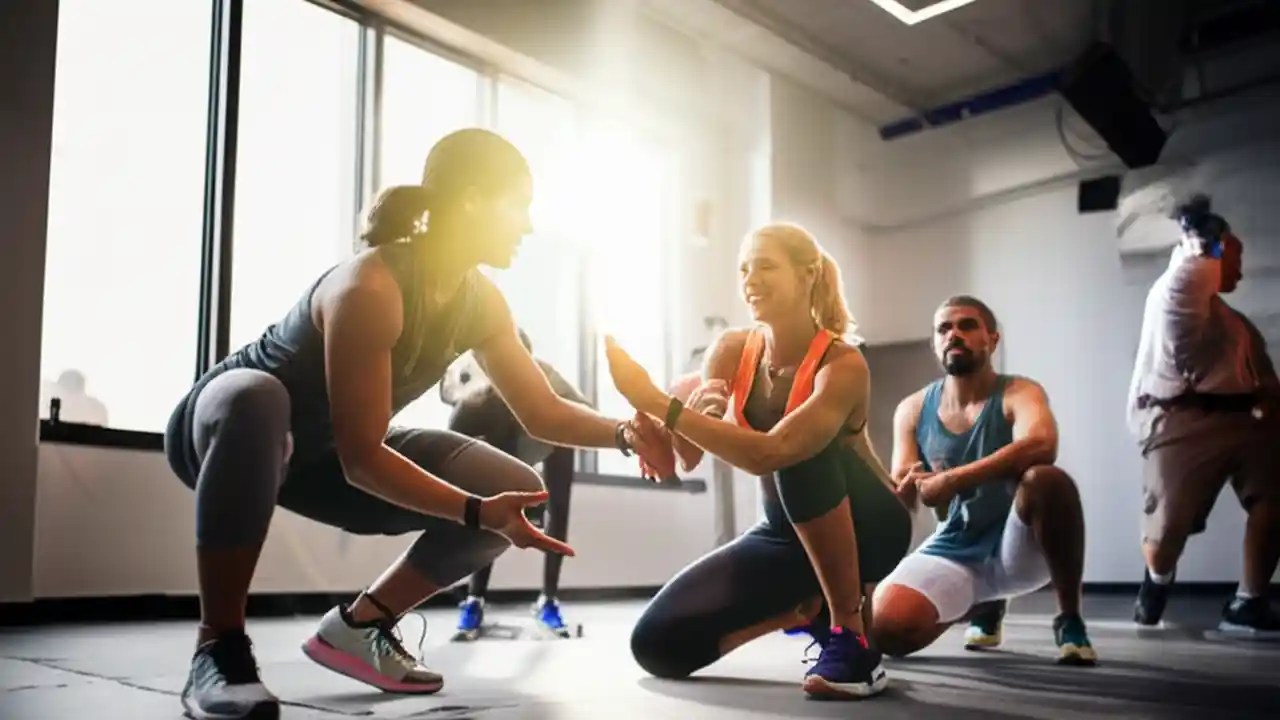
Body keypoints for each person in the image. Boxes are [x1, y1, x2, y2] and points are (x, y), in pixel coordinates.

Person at [163, 128, 667, 720]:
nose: (528, 225)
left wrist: (627, 433)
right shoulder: (372, 285)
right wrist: (478, 511)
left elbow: (543, 411)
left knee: (516, 487)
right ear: (474, 200)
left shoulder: (482, 300)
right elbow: (364, 456)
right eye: (520, 206)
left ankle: (361, 626)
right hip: (227, 430)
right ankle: (217, 647)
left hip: (322, 460)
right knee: (259, 397)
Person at [604, 222, 912, 700]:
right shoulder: (730, 350)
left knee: (797, 452)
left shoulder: (842, 363)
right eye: (744, 268)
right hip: (783, 531)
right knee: (657, 647)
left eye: (765, 265)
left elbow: (772, 453)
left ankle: (851, 637)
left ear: (808, 274)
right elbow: (688, 456)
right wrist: (656, 433)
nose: (750, 278)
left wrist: (659, 401)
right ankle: (809, 610)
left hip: (869, 525)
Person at [870, 296, 1098, 666]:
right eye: (944, 329)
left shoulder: (1019, 392)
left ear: (992, 339)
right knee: (886, 631)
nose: (954, 334)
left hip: (1018, 550)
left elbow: (1042, 443)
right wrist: (908, 488)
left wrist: (951, 480)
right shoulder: (912, 409)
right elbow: (904, 484)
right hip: (956, 547)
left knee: (1046, 479)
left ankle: (1069, 618)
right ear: (934, 344)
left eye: (967, 325)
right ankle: (981, 603)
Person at [1127, 194, 1280, 633]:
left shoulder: (1236, 323)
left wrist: (1270, 401)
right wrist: (1204, 237)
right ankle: (1158, 576)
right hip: (1180, 421)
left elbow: (1265, 376)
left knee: (1275, 496)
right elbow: (1188, 280)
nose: (1240, 269)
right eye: (1234, 258)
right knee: (1164, 537)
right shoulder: (1172, 294)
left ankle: (1248, 603)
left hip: (1243, 422)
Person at [439, 328, 587, 639]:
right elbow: (450, 445)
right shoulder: (475, 397)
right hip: (507, 442)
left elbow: (586, 415)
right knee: (487, 508)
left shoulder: (549, 379)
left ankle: (548, 599)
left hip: (552, 437)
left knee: (558, 509)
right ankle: (475, 598)